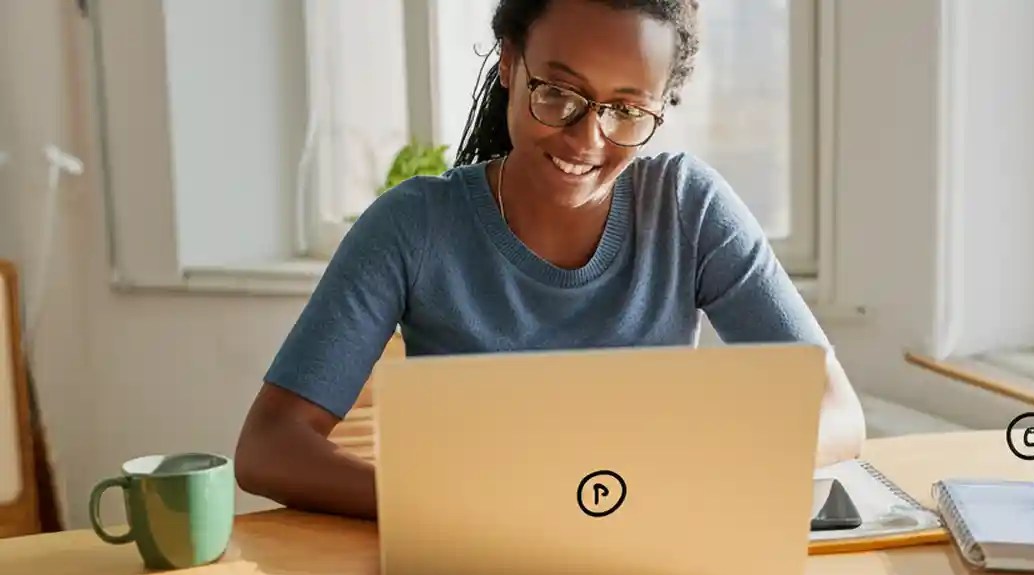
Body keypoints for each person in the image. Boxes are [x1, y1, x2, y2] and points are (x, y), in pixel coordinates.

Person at [235, 0, 866, 520]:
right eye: (559, 93)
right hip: (471, 562)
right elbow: (268, 447)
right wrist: (430, 508)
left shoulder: (687, 208)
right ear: (510, 64)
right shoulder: (413, 226)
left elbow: (837, 413)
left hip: (650, 559)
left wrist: (705, 472)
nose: (586, 138)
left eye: (626, 110)